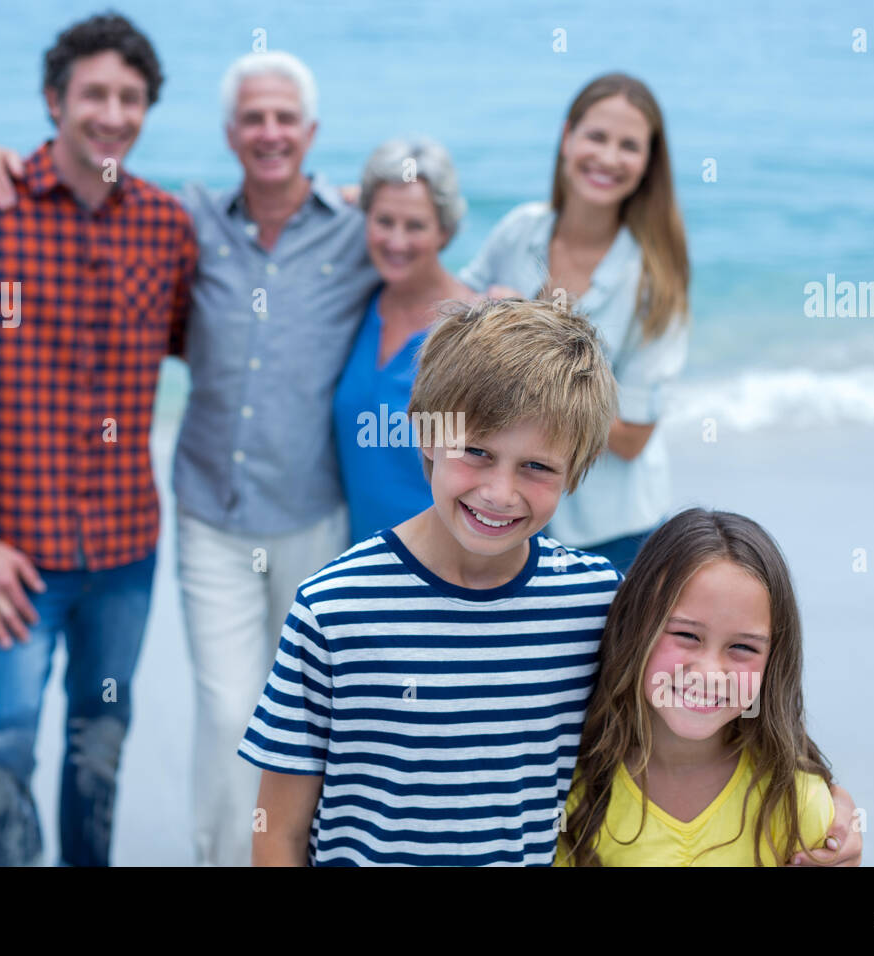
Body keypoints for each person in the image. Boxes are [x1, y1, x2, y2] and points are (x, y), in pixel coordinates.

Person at [0, 51, 380, 866]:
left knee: (322, 717)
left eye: (285, 117)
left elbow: (425, 244)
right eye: (252, 118)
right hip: (209, 514)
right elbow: (99, 216)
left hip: (317, 512)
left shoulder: (359, 230)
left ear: (312, 131)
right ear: (228, 133)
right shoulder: (187, 223)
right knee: (229, 715)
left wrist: (492, 295)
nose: (269, 132)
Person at [0, 13, 197, 866]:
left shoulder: (166, 227)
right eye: (94, 94)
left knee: (98, 748)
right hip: (13, 556)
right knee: (4, 755)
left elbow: (218, 344)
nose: (112, 113)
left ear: (147, 110)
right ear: (53, 100)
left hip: (124, 551)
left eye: (130, 97)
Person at [241, 298, 623, 865]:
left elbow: (684, 744)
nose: (499, 492)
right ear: (424, 433)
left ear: (578, 468)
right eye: (476, 452)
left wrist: (799, 824)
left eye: (536, 467)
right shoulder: (334, 608)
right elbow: (277, 830)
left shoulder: (594, 603)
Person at [460, 73, 690, 574]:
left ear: (649, 162)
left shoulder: (655, 278)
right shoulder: (519, 231)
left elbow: (631, 440)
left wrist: (531, 345)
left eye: (629, 146)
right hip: (506, 515)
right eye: (596, 136)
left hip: (613, 533)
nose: (608, 157)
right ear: (567, 138)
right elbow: (453, 309)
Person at [557, 509, 835, 866]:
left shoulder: (798, 804)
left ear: (774, 662)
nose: (709, 673)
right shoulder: (574, 791)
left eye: (742, 647)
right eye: (686, 635)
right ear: (634, 628)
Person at [333, 138, 478, 544]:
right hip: (361, 562)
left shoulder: (474, 329)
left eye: (415, 225)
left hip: (450, 565)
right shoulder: (359, 304)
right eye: (384, 221)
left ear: (445, 233)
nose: (396, 241)